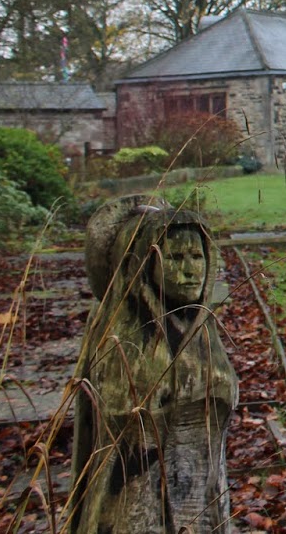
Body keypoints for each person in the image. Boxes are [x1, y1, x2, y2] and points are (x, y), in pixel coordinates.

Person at [69, 198, 237, 534]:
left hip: (199, 499)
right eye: (174, 258)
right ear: (144, 265)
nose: (191, 271)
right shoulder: (119, 336)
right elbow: (114, 418)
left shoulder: (203, 330)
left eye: (197, 257)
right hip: (134, 501)